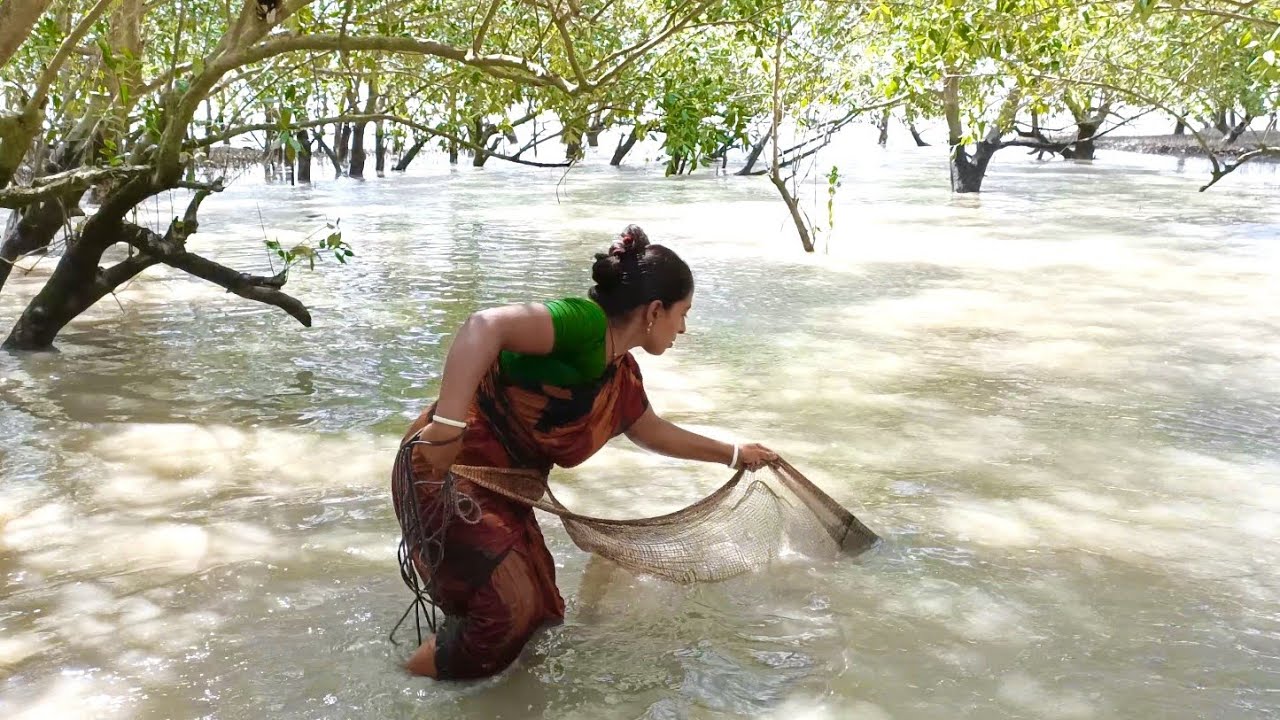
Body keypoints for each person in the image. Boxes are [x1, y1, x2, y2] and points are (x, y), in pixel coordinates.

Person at [391, 224, 778, 679]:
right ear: (655, 310)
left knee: (539, 613)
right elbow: (484, 325)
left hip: (504, 486)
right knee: (507, 614)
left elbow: (650, 430)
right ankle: (401, 683)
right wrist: (449, 426)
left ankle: (467, 688)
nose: (684, 329)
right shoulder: (584, 324)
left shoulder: (619, 369)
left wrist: (735, 453)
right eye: (683, 314)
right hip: (447, 468)